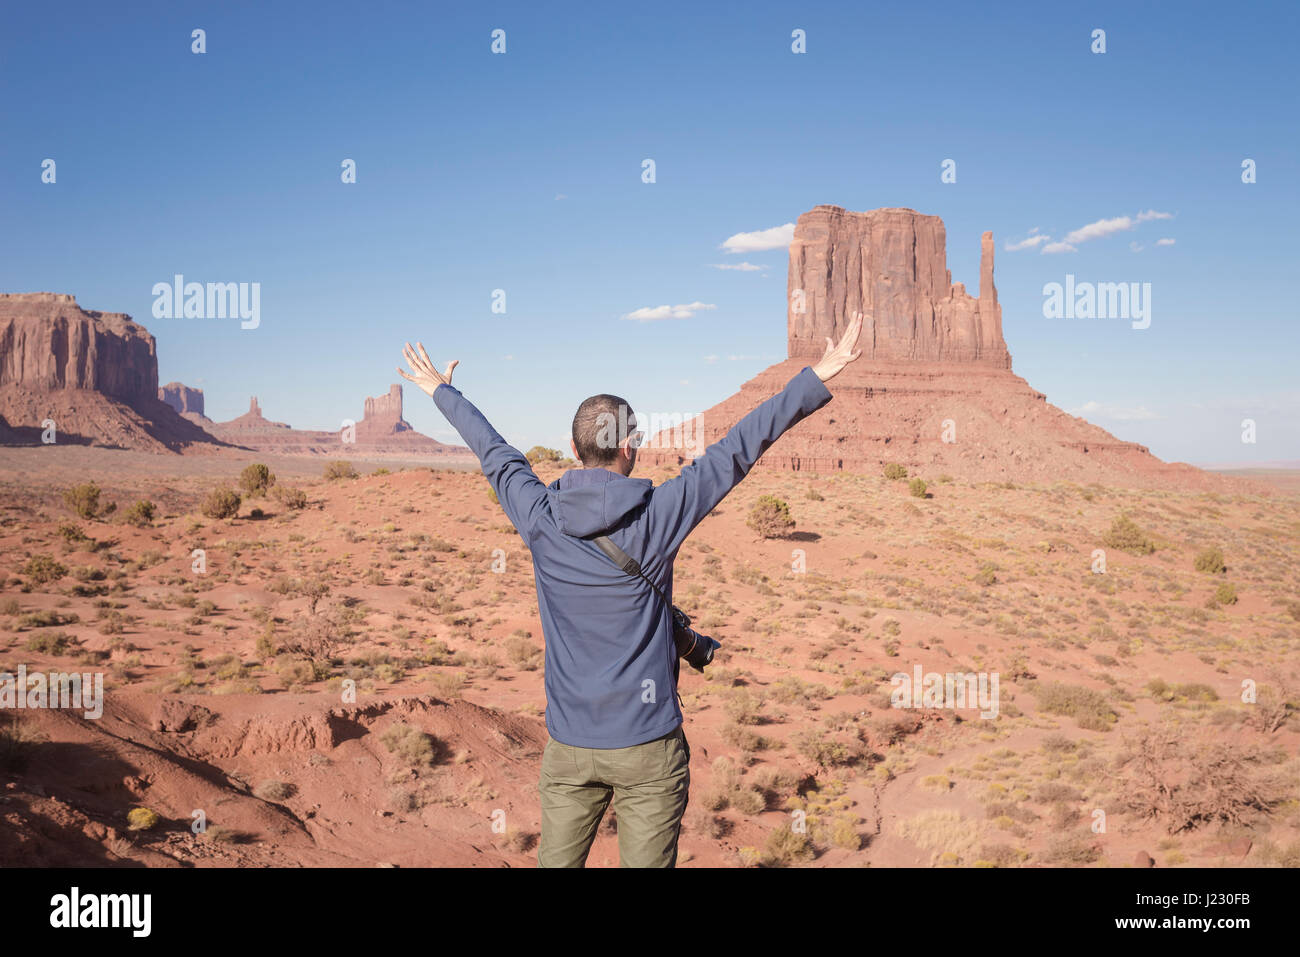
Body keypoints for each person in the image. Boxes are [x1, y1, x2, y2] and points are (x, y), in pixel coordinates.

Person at [398, 313, 863, 867]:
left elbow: (496, 454)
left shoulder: (540, 515)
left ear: (575, 450)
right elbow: (736, 450)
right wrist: (818, 375)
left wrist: (442, 392)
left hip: (572, 747)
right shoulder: (660, 514)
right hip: (649, 746)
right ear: (630, 448)